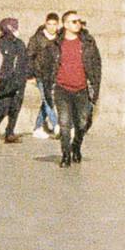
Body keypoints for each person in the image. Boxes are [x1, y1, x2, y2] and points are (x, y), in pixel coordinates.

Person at [50, 10, 102, 164]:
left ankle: (76, 145)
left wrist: (95, 86)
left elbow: (96, 65)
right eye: (74, 21)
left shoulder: (88, 42)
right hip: (62, 89)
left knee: (83, 122)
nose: (78, 24)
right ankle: (66, 154)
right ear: (65, 24)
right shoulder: (56, 44)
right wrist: (48, 83)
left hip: (82, 89)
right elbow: (46, 64)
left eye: (79, 21)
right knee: (64, 123)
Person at [0, 16, 31, 145]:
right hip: (5, 80)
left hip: (19, 80)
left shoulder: (20, 43)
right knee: (3, 108)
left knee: (16, 107)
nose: (16, 30)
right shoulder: (0, 43)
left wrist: (28, 75)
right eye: (14, 27)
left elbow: (25, 60)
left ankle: (10, 132)